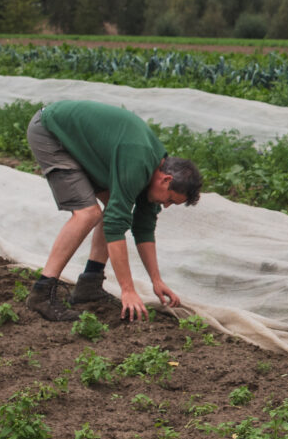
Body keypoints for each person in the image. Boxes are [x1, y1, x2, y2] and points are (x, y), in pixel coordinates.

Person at [25, 100, 202, 323]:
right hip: (51, 132)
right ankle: (42, 292)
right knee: (88, 213)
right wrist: (127, 289)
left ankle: (89, 283)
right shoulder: (138, 163)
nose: (166, 205)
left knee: (113, 208)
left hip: (83, 146)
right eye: (170, 200)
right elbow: (115, 225)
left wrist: (156, 280)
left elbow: (144, 227)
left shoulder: (154, 171)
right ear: (166, 179)